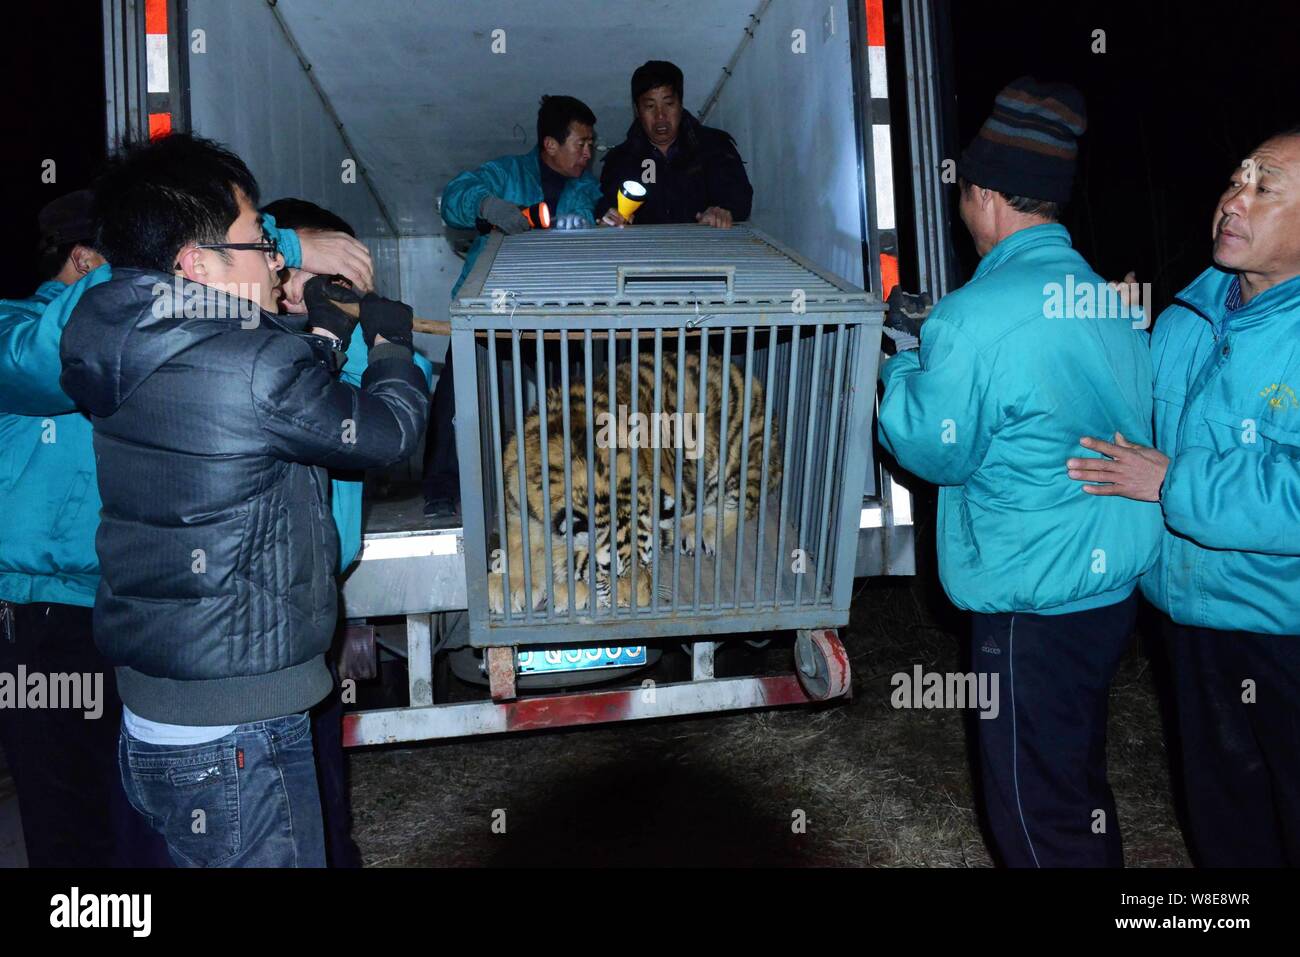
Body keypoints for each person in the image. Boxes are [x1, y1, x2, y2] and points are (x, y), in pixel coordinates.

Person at [58, 133, 428, 868]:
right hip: (240, 734)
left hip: (155, 719)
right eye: (260, 241)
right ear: (195, 265)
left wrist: (322, 335)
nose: (277, 258)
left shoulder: (114, 340)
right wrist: (390, 345)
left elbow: (254, 413)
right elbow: (388, 436)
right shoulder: (249, 366)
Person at [876, 78, 1162, 867]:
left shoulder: (973, 315)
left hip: (1030, 599)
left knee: (1036, 819)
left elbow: (935, 448)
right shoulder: (1109, 300)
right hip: (1106, 590)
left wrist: (902, 363)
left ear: (986, 194)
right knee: (1074, 779)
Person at [1067, 125, 1300, 866]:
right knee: (1223, 819)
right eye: (1236, 179)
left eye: (1266, 186)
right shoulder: (1181, 320)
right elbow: (1128, 433)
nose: (1235, 199)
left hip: (1284, 630)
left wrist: (1173, 482)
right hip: (1190, 623)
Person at [261, 197, 433, 868]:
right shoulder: (252, 344)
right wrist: (336, 340)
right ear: (281, 265)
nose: (337, 291)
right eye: (323, 271)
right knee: (286, 768)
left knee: (322, 754)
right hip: (273, 599)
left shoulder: (326, 334)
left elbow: (382, 421)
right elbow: (335, 421)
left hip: (319, 586)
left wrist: (386, 348)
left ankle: (337, 852)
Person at [0, 190, 167, 867]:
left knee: (145, 809)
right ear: (86, 259)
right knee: (67, 823)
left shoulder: (134, 339)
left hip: (134, 608)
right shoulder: (14, 328)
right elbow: (51, 365)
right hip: (41, 619)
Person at [427, 95, 604, 519]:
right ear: (549, 144)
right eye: (580, 144)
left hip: (553, 314)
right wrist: (486, 206)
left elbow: (596, 229)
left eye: (591, 145)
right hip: (490, 306)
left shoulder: (588, 189)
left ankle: (575, 488)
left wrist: (609, 224)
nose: (587, 153)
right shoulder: (505, 173)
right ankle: (440, 491)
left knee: (571, 398)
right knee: (457, 392)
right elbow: (454, 195)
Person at [596, 60, 752, 228]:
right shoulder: (620, 160)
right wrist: (610, 217)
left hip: (707, 249)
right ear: (637, 110)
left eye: (669, 104)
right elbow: (607, 206)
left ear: (680, 103)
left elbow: (738, 198)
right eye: (650, 106)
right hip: (645, 252)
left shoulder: (715, 146)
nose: (660, 116)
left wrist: (723, 212)